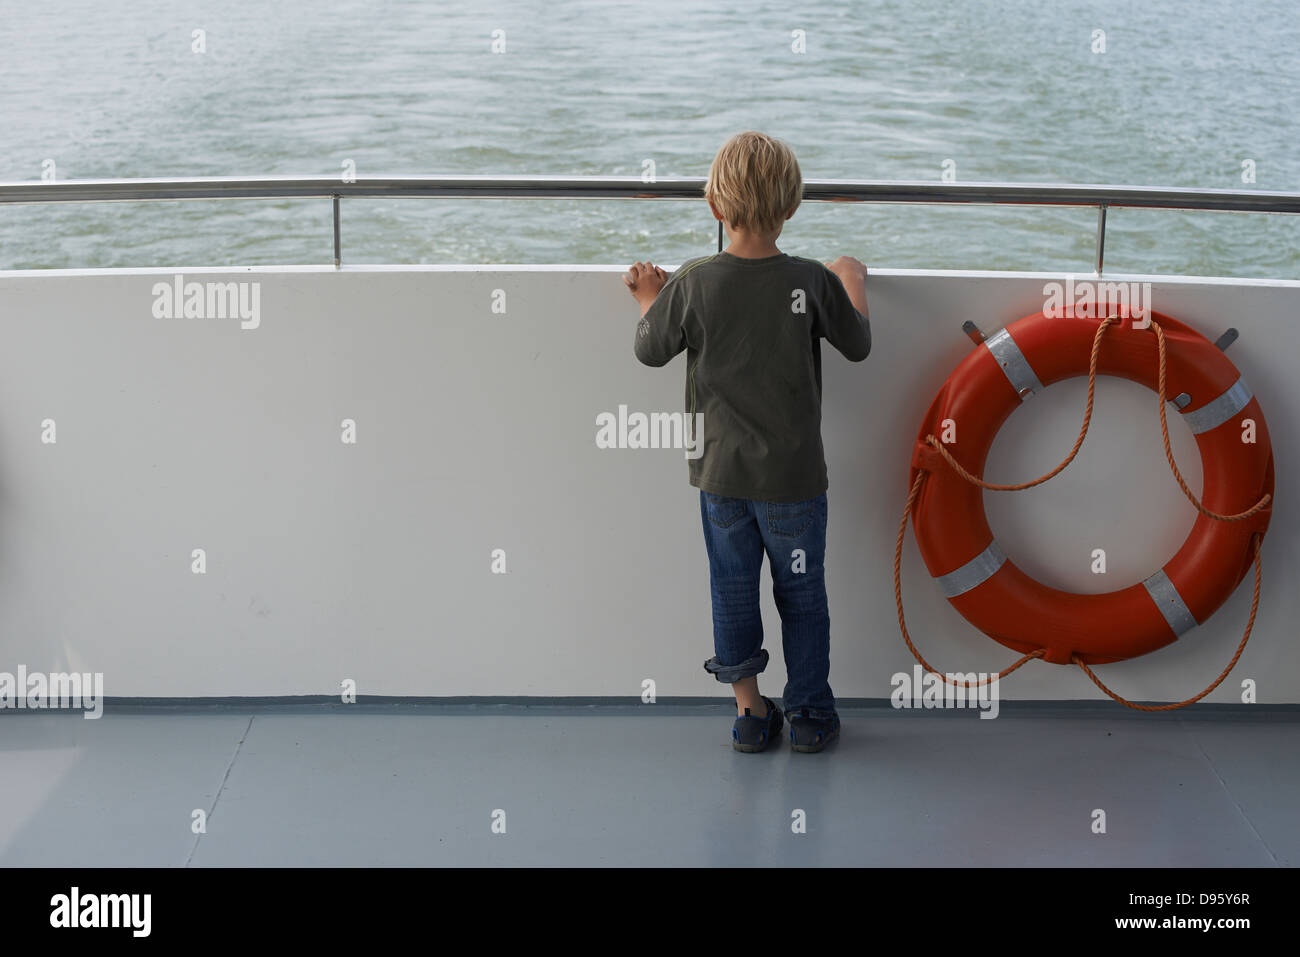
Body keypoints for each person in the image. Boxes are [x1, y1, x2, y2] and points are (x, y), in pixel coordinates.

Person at [624, 131, 870, 753]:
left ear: (714, 207)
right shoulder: (812, 281)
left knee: (732, 591)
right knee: (803, 597)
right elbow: (858, 343)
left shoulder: (696, 281)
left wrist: (651, 297)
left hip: (722, 482)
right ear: (790, 208)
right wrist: (850, 277)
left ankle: (751, 713)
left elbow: (650, 349)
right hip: (792, 482)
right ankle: (811, 716)